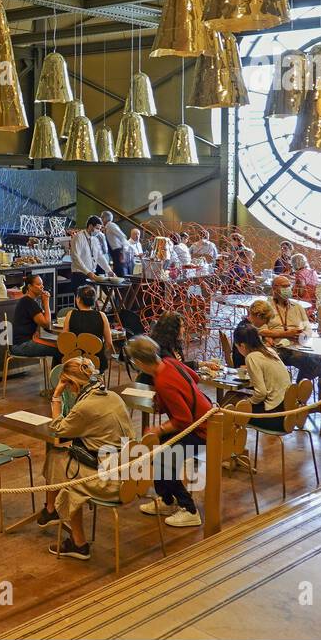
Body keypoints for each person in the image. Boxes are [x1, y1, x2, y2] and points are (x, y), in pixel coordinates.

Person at [40, 357, 134, 559]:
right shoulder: (113, 396)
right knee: (60, 458)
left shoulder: (86, 406)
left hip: (112, 482)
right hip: (133, 474)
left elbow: (57, 429)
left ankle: (77, 541)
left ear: (73, 383)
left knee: (59, 462)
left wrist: (56, 397)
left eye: (66, 384)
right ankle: (51, 510)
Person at [125, 335, 209, 528]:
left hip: (202, 429)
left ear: (138, 362)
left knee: (164, 460)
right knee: (158, 450)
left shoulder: (163, 382)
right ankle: (167, 500)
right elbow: (194, 378)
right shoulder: (170, 362)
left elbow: (183, 420)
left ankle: (189, 510)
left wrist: (158, 429)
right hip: (201, 420)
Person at [263, 274, 321, 384]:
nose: (288, 289)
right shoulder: (266, 307)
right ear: (274, 289)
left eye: (289, 286)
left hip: (297, 346)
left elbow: (308, 330)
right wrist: (286, 334)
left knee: (319, 360)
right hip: (278, 349)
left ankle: (314, 393)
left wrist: (302, 336)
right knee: (310, 363)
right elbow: (262, 331)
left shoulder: (298, 307)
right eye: (284, 286)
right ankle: (298, 393)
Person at [234, 323, 292, 432]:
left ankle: (233, 447)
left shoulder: (251, 357)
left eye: (237, 347)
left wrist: (248, 402)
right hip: (289, 411)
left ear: (242, 346)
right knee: (237, 401)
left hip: (276, 416)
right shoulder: (270, 351)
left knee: (232, 410)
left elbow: (261, 393)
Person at [6, 273, 59, 361]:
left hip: (25, 341)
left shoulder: (29, 301)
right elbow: (46, 324)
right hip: (21, 345)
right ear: (30, 286)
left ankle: (57, 373)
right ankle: (59, 374)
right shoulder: (29, 302)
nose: (42, 287)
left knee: (60, 346)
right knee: (60, 349)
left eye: (42, 284)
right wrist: (46, 302)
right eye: (38, 284)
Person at [69, 216, 110, 288]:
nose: (99, 231)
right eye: (97, 228)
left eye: (100, 229)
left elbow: (100, 256)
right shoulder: (78, 237)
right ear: (90, 226)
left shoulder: (95, 239)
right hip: (79, 274)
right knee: (81, 299)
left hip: (92, 274)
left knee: (92, 298)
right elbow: (75, 257)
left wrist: (109, 270)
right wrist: (87, 272)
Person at [101, 211, 127, 277]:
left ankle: (122, 287)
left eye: (102, 217)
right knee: (116, 271)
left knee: (119, 272)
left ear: (105, 218)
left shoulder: (111, 225)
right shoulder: (106, 227)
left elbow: (123, 236)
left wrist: (123, 253)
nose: (101, 219)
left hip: (118, 252)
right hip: (114, 252)